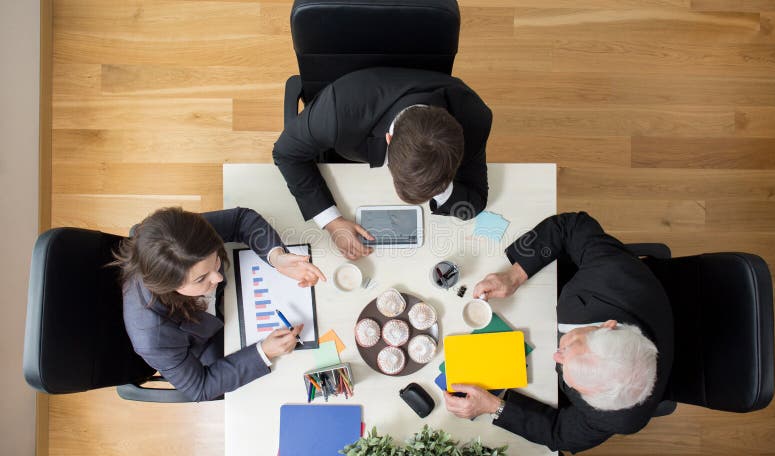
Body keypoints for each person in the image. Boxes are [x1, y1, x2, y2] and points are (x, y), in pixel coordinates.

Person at [443, 212, 674, 453]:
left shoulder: (622, 418)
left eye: (574, 381)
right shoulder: (614, 274)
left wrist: (494, 406)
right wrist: (515, 274)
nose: (555, 356)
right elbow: (570, 227)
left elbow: (560, 434)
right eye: (569, 348)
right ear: (609, 326)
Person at [274, 67, 492, 260]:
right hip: (353, 115)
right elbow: (286, 153)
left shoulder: (474, 117)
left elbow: (475, 202)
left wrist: (440, 184)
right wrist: (332, 222)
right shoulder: (336, 112)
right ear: (389, 139)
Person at [112, 207, 326, 402]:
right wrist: (264, 352)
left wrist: (277, 257)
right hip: (206, 341)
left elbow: (241, 220)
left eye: (215, 261)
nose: (218, 278)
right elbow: (200, 387)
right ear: (169, 286)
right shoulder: (153, 338)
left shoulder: (182, 238)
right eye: (201, 279)